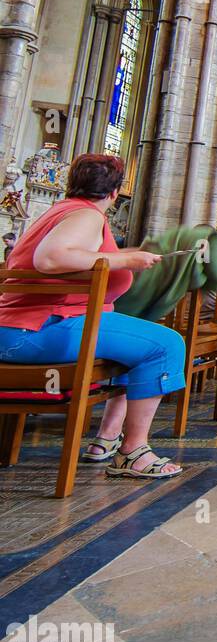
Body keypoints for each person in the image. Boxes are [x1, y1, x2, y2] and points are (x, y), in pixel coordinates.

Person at [0, 153, 185, 479]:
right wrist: (124, 263)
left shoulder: (59, 212)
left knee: (137, 346)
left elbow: (71, 255)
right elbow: (51, 259)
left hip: (20, 330)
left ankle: (109, 437)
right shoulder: (86, 217)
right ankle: (133, 453)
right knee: (166, 344)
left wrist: (124, 256)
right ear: (115, 192)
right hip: (40, 329)